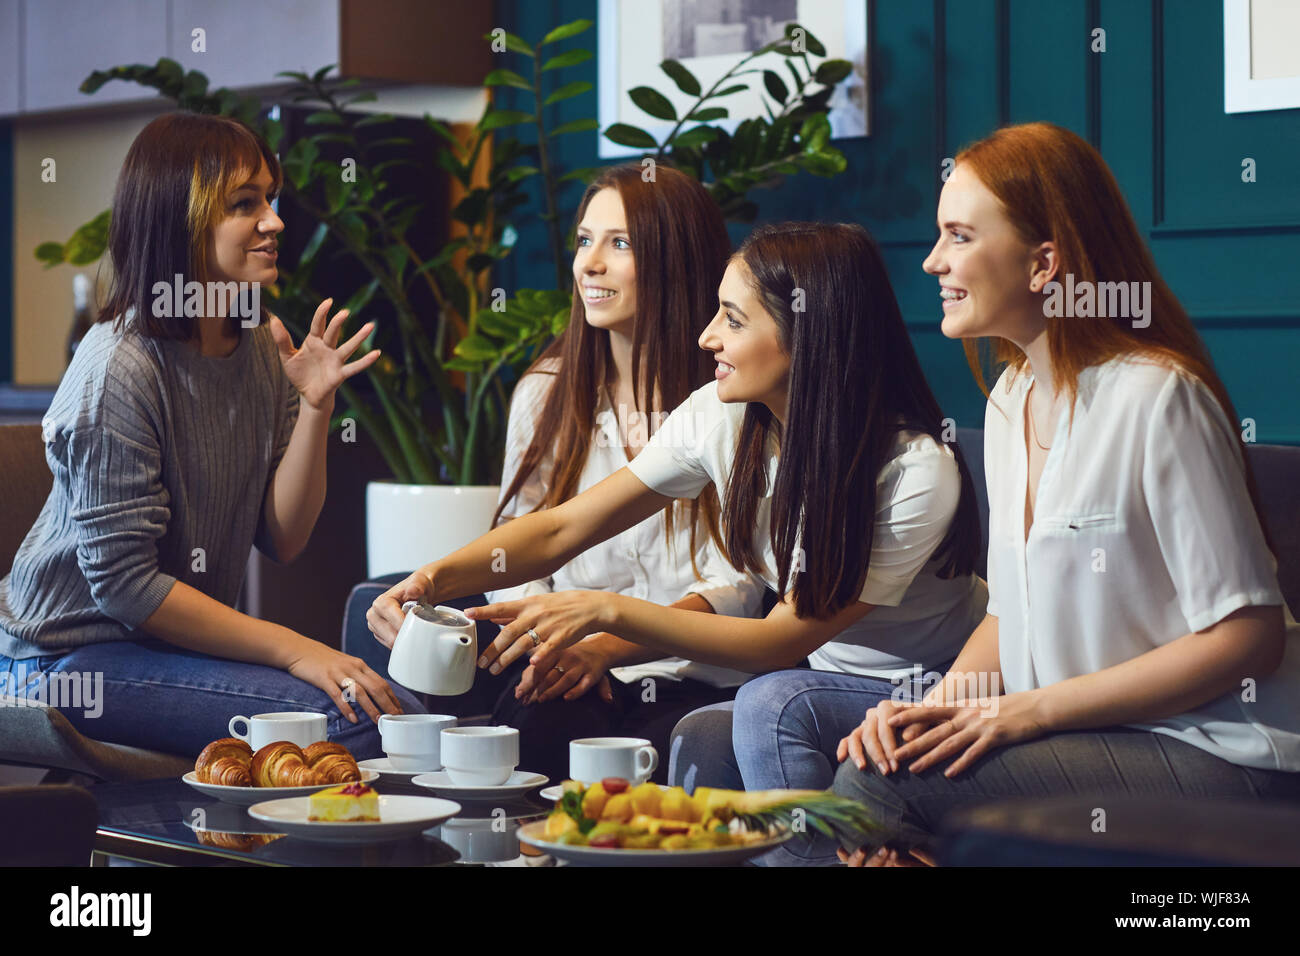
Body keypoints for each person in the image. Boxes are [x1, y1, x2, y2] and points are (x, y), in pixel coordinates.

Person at [367, 223, 987, 821]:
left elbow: (781, 641)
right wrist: (430, 581)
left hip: (924, 687)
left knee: (767, 703)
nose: (707, 338)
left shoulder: (912, 471)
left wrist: (605, 612)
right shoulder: (726, 420)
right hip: (817, 678)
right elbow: (562, 530)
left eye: (734, 320)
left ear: (811, 334)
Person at [831, 121, 1300, 866]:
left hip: (1223, 756)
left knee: (871, 791)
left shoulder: (1157, 397)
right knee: (878, 779)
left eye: (958, 236)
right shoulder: (1009, 399)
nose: (931, 261)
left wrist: (1027, 712)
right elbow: (1006, 613)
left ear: (1044, 261)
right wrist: (935, 705)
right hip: (1089, 742)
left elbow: (1248, 638)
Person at [0, 113, 419, 761]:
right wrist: (298, 648)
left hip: (171, 651)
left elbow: (283, 537)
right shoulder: (119, 366)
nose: (274, 222)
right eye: (245, 204)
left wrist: (315, 406)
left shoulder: (259, 340)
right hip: (64, 661)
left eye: (270, 200)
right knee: (354, 724)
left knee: (401, 713)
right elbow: (126, 589)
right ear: (181, 222)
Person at [472, 164, 766, 782]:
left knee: (576, 738)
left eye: (620, 243)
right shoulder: (543, 393)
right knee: (523, 715)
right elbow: (520, 551)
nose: (590, 264)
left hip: (693, 677)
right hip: (563, 666)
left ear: (675, 261)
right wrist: (555, 648)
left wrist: (607, 645)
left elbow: (740, 587)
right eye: (584, 240)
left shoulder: (734, 402)